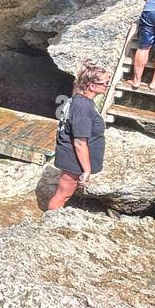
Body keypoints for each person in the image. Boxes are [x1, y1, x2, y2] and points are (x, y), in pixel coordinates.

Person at [47, 62, 110, 211]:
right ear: (92, 86)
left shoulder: (81, 100)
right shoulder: (82, 107)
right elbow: (80, 142)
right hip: (72, 159)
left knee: (64, 193)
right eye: (105, 83)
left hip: (73, 158)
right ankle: (48, 222)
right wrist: (86, 170)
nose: (107, 85)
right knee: (63, 195)